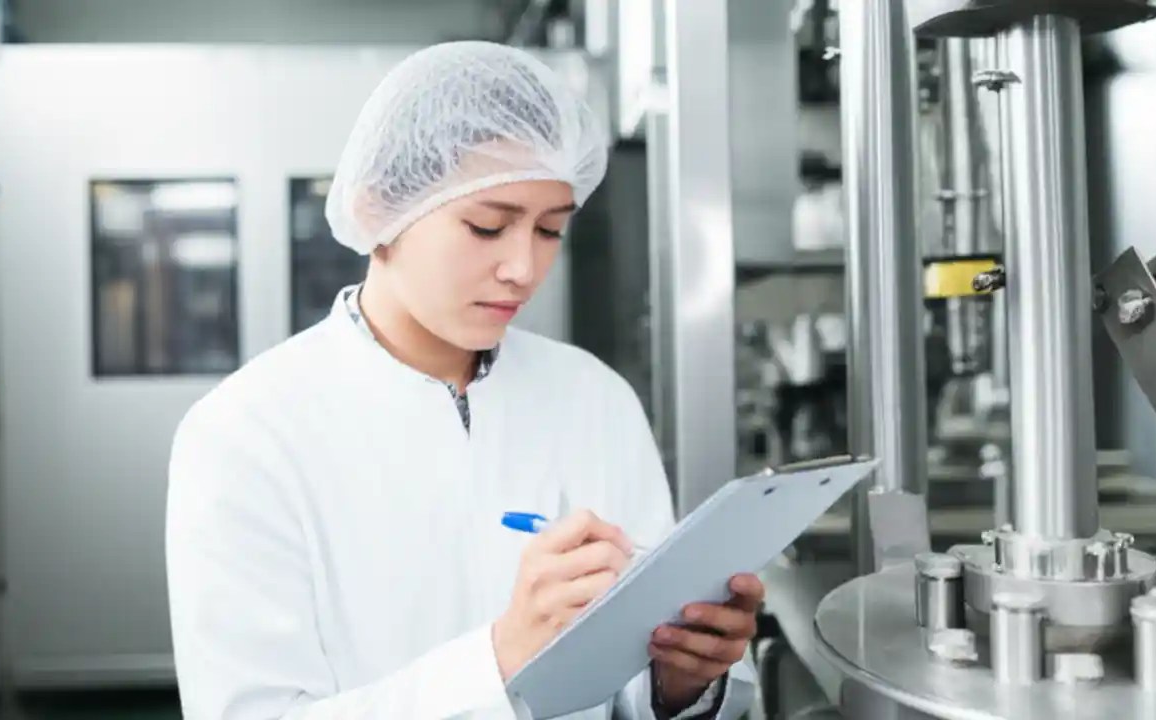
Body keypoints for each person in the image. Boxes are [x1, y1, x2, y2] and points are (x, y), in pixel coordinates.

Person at [165, 41, 761, 719]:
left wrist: (679, 677)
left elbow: (629, 686)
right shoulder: (248, 433)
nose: (523, 268)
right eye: (487, 226)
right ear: (376, 212)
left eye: (549, 230)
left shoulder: (593, 397)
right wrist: (498, 660)